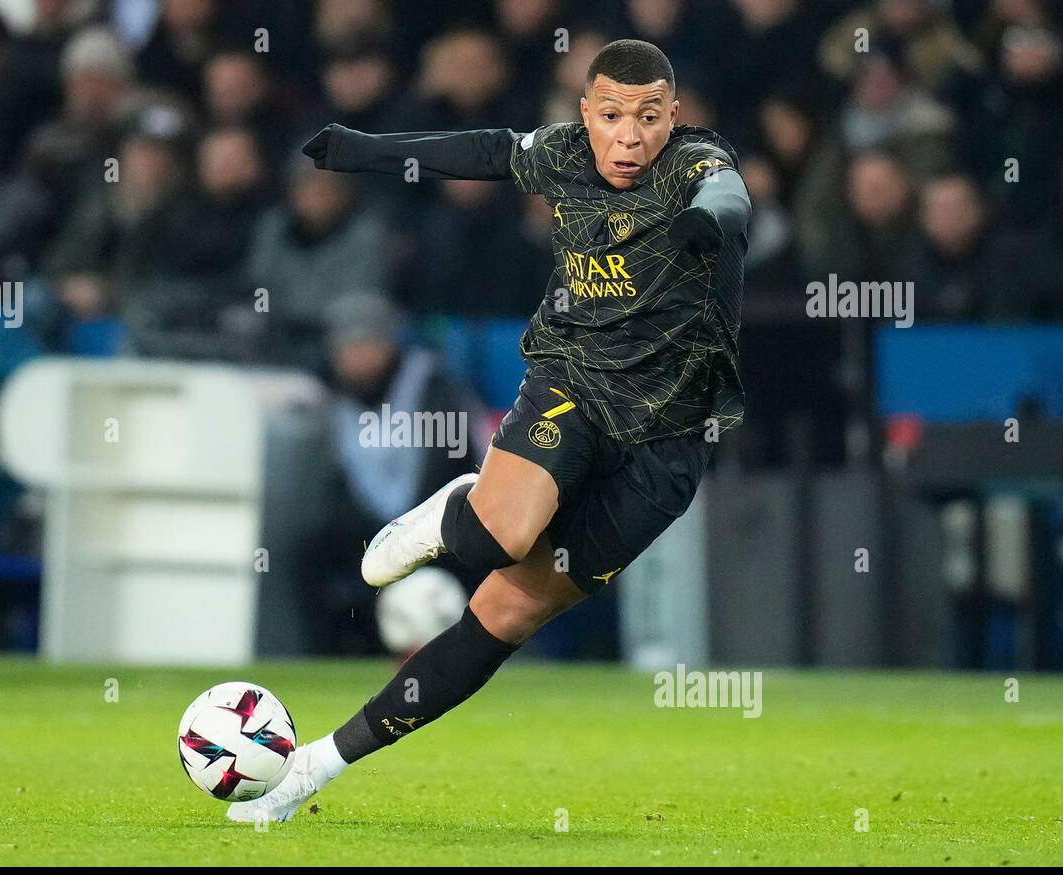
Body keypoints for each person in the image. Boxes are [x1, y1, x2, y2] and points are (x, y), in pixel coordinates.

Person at [227, 39, 751, 823]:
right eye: (611, 116)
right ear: (586, 115)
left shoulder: (697, 165)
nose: (630, 136)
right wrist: (370, 150)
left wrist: (707, 228)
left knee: (503, 615)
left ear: (672, 117)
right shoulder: (565, 154)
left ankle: (314, 765)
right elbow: (484, 152)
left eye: (648, 117)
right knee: (497, 535)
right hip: (573, 382)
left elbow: (730, 199)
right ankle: (453, 511)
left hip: (667, 445)